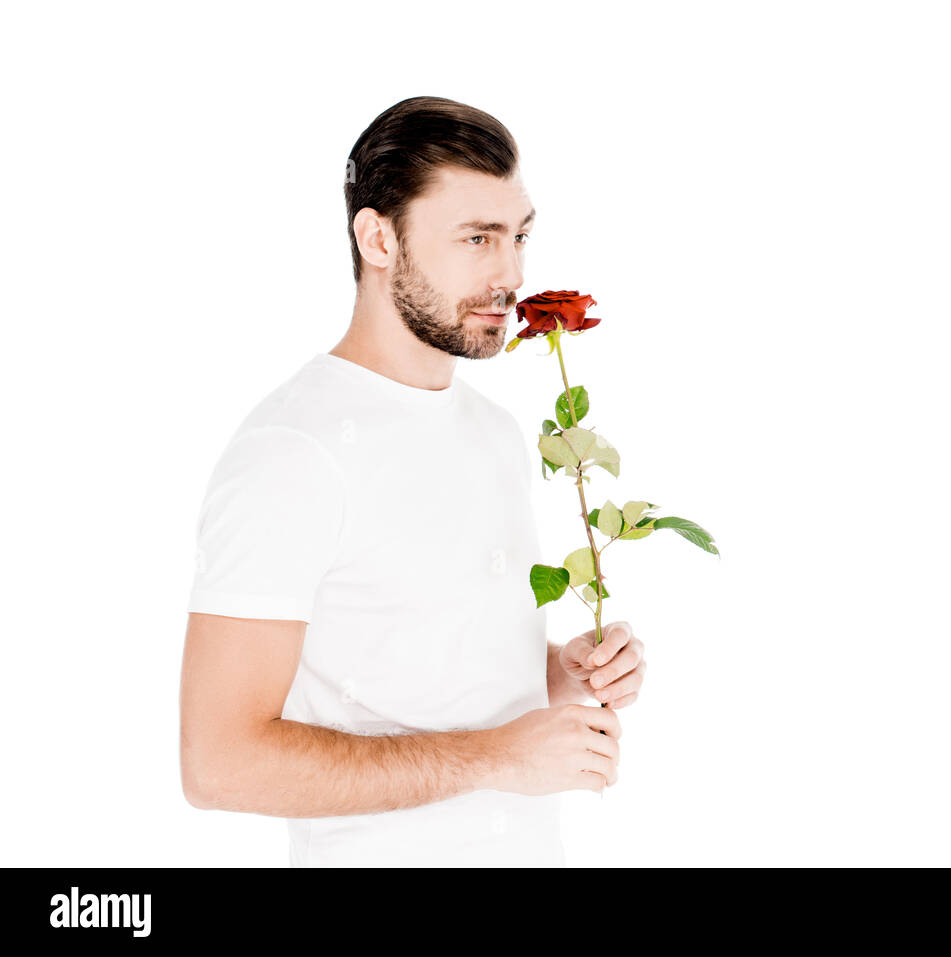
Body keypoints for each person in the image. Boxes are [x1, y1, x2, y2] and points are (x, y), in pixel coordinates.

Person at [179, 96, 648, 867]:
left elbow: (431, 659)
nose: (512, 276)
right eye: (477, 238)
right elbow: (220, 761)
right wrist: (498, 756)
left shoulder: (495, 432)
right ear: (378, 238)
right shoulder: (292, 450)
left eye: (520, 236)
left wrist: (558, 672)